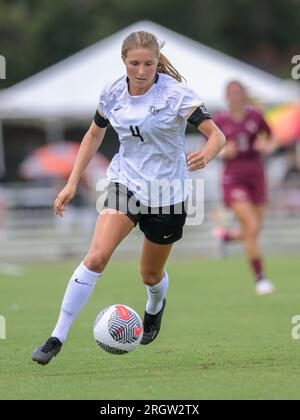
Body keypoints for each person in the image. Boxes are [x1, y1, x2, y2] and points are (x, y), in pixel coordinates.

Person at [32, 31, 226, 365]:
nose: (141, 70)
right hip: (126, 185)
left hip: (169, 194)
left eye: (148, 63)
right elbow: (94, 134)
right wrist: (72, 182)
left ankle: (155, 306)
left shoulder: (175, 94)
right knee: (96, 257)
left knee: (150, 276)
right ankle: (56, 336)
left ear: (156, 62)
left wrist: (206, 154)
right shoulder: (111, 92)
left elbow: (216, 135)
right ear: (124, 61)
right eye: (134, 63)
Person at [213, 80, 277, 296]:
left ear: (243, 95)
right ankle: (261, 279)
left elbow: (271, 137)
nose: (235, 96)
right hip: (233, 177)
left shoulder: (255, 117)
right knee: (250, 224)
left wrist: (265, 146)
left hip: (256, 175)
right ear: (226, 96)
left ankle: (226, 237)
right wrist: (223, 152)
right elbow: (210, 147)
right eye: (231, 93)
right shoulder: (219, 119)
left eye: (239, 92)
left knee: (254, 229)